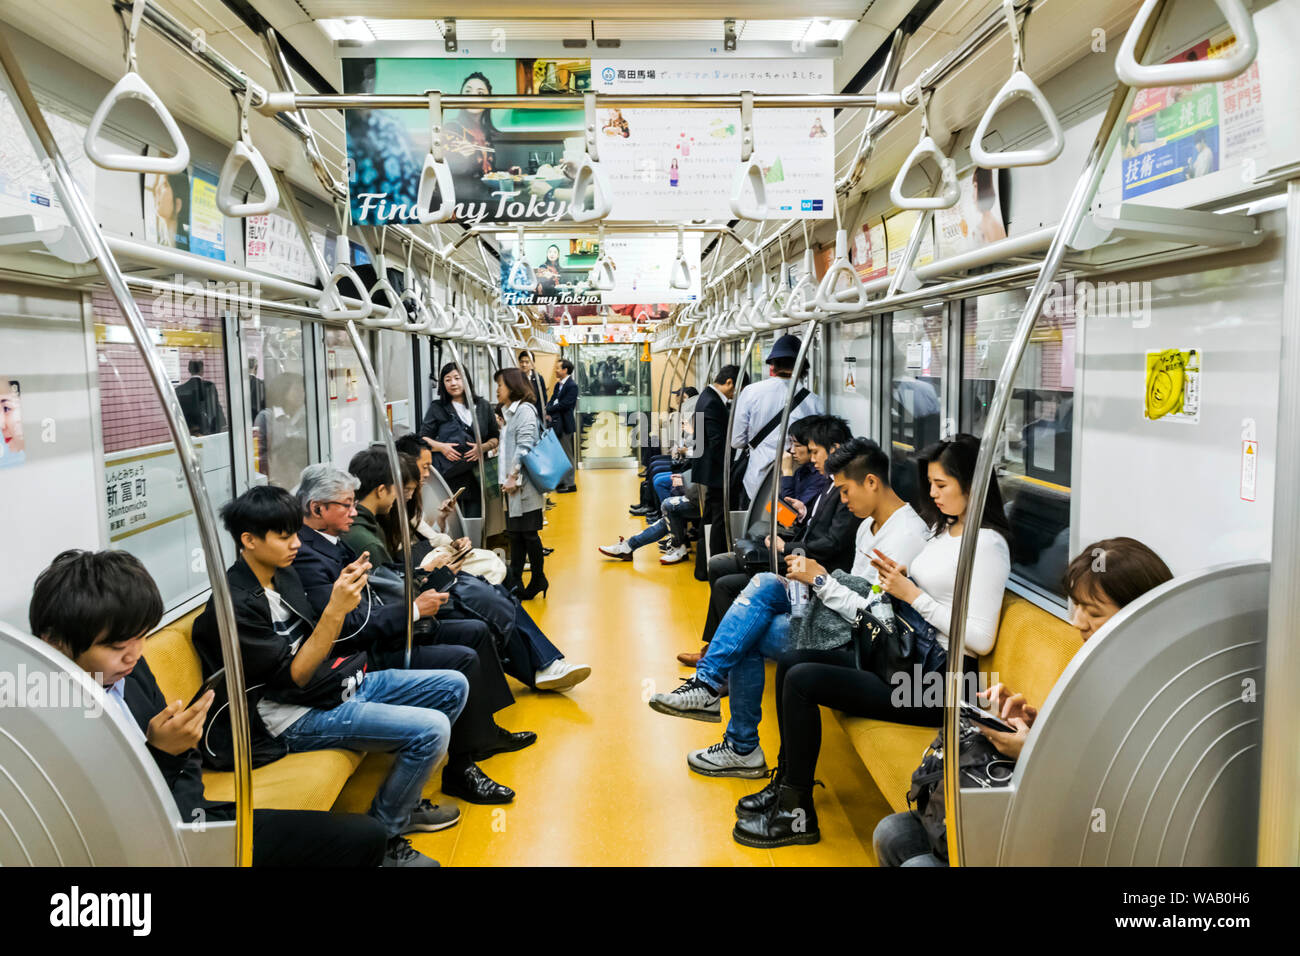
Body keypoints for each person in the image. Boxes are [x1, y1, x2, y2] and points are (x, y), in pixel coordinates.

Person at [731, 433, 1012, 849]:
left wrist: (911, 593)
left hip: (938, 684)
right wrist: (902, 581)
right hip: (905, 659)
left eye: (941, 486)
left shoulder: (987, 545)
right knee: (792, 661)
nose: (932, 494)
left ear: (972, 485)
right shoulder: (947, 530)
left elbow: (980, 638)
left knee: (803, 681)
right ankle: (787, 784)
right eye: (930, 484)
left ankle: (797, 812)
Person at [29, 549, 391, 867]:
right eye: (116, 646)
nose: (134, 654)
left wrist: (183, 779)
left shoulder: (130, 670)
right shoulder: (46, 718)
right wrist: (163, 755)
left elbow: (186, 764)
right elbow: (97, 822)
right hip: (139, 846)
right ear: (56, 643)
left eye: (141, 637)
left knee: (361, 837)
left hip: (194, 821)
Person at [190, 485, 472, 867]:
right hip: (290, 715)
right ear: (249, 540)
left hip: (330, 684)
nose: (295, 544)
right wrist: (336, 610)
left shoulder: (283, 576)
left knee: (452, 685)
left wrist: (348, 599)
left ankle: (406, 800)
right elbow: (295, 677)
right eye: (284, 535)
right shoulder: (235, 606)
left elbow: (321, 645)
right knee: (432, 729)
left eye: (294, 532)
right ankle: (385, 835)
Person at [874, 537, 1174, 867]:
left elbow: (1114, 804)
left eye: (1094, 612)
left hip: (1081, 840)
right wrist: (1030, 727)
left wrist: (1029, 753)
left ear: (1141, 614)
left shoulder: (1161, 698)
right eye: (1077, 607)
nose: (1078, 622)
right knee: (893, 833)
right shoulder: (1098, 664)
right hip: (1045, 809)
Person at [654, 437, 918, 779]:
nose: (843, 500)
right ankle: (714, 698)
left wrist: (821, 582)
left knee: (750, 632)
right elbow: (855, 586)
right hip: (838, 618)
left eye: (845, 491)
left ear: (871, 482)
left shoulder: (907, 536)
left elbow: (875, 614)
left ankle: (737, 739)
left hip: (861, 643)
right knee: (764, 586)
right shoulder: (869, 525)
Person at [293, 462, 528, 804]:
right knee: (462, 658)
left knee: (475, 630)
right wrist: (414, 610)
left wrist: (421, 581)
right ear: (316, 509)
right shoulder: (310, 557)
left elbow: (374, 590)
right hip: (365, 652)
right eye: (345, 504)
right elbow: (347, 627)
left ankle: (484, 734)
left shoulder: (333, 542)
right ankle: (461, 768)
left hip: (384, 626)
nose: (353, 510)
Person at [690, 415, 858, 662]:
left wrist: (786, 542)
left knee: (727, 582)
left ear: (832, 450)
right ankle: (717, 648)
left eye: (811, 450)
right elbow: (793, 515)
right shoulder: (826, 483)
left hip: (805, 559)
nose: (809, 457)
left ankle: (724, 654)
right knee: (719, 565)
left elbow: (828, 540)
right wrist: (802, 514)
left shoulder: (830, 484)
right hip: (799, 549)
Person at [731, 334, 823, 503]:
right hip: (796, 486)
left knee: (754, 527)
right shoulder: (814, 402)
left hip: (756, 482)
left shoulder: (751, 392)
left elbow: (736, 441)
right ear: (803, 366)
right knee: (786, 524)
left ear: (773, 365)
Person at [418, 363, 499, 519]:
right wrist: (441, 447)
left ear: (466, 379)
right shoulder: (438, 407)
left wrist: (482, 447)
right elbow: (422, 438)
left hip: (476, 474)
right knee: (452, 519)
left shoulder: (483, 406)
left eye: (457, 378)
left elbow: (495, 436)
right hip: (449, 474)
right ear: (443, 384)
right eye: (447, 379)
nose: (453, 383)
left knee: (475, 517)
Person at [496, 366, 549, 600]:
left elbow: (525, 447)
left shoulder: (525, 411)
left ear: (512, 387)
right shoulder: (509, 412)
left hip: (524, 484)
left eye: (500, 385)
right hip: (511, 486)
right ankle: (516, 581)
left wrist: (512, 476)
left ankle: (538, 578)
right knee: (515, 535)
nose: (497, 390)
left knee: (529, 534)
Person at [690, 365, 739, 580]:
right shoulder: (712, 402)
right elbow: (717, 441)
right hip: (716, 470)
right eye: (735, 388)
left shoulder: (706, 396)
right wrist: (732, 465)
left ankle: (704, 568)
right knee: (718, 521)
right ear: (729, 382)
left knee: (709, 518)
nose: (734, 393)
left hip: (708, 469)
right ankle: (715, 567)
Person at [547, 358, 579, 493]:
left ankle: (570, 484)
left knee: (567, 454)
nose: (556, 370)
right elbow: (553, 400)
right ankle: (561, 482)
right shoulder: (558, 385)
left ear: (565, 370)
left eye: (558, 368)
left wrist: (549, 409)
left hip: (565, 425)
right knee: (558, 455)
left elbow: (566, 404)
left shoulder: (572, 386)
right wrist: (548, 407)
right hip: (556, 423)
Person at [175, 359, 227, 437]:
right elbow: (217, 408)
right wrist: (223, 425)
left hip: (190, 433)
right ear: (202, 370)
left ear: (189, 370)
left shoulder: (179, 390)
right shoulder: (209, 386)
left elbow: (180, 414)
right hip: (209, 431)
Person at [517, 350, 550, 426]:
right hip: (520, 415)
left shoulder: (538, 378)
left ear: (532, 363)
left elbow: (543, 398)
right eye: (521, 362)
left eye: (527, 362)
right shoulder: (516, 378)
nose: (524, 364)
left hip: (536, 415)